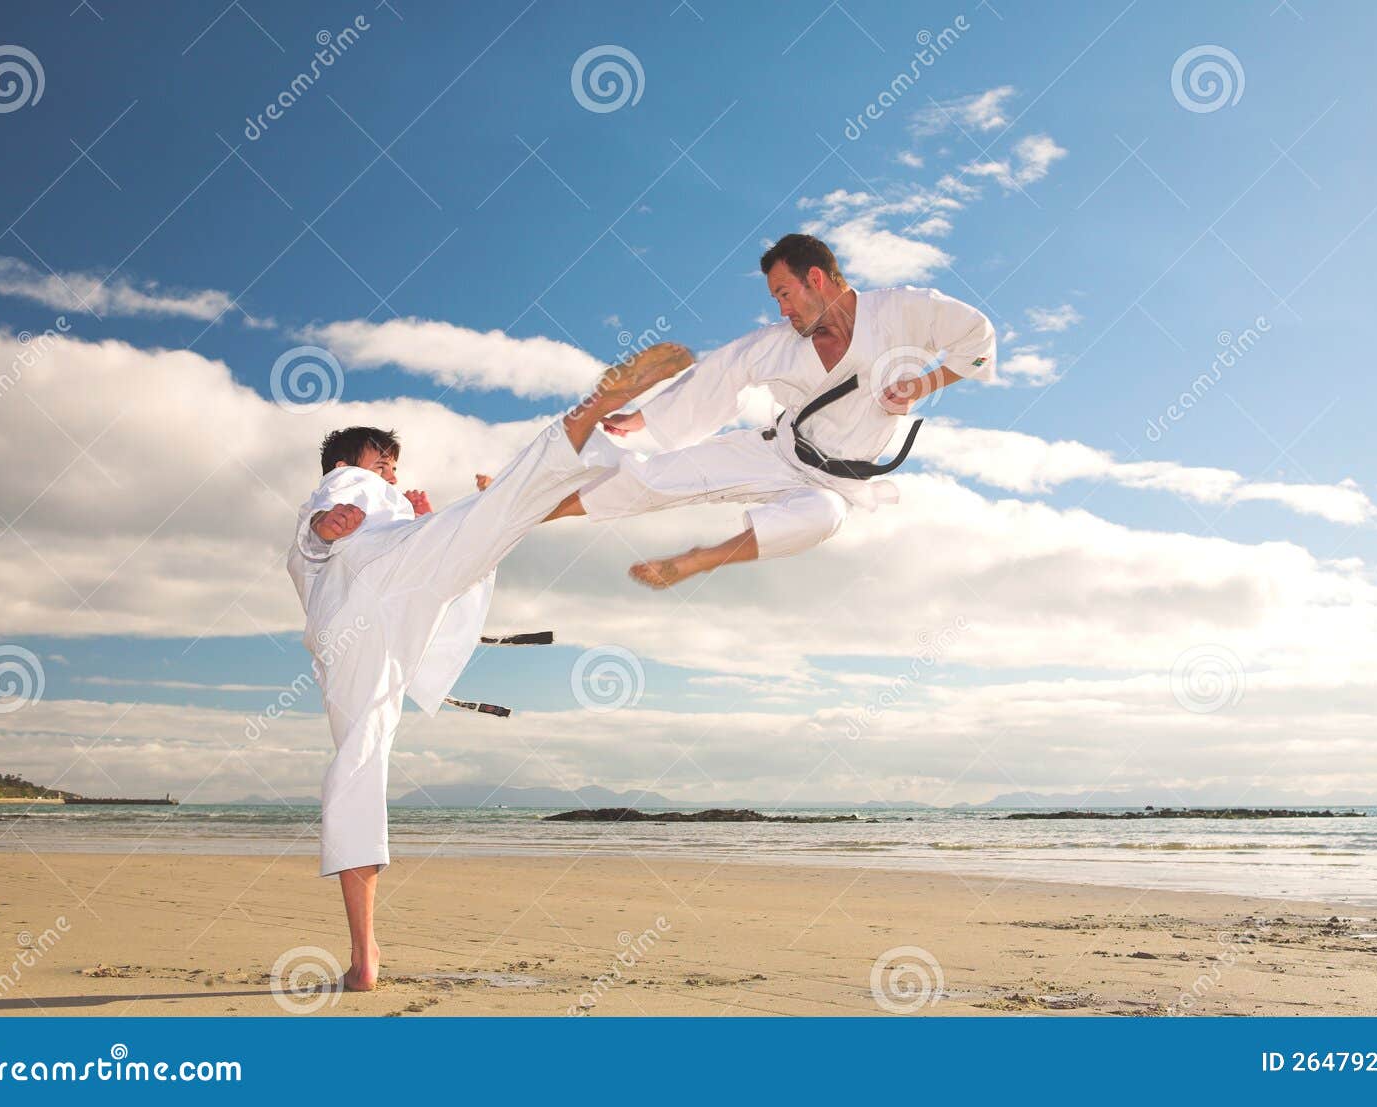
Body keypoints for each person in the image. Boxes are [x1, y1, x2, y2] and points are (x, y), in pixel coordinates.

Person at [285, 342, 692, 991]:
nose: (387, 468)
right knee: (358, 764)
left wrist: (423, 522)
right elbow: (307, 545)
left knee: (362, 765)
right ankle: (535, 474)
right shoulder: (342, 483)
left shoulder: (386, 500)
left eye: (391, 462)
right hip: (364, 600)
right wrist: (324, 527)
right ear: (344, 460)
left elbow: (407, 551)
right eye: (378, 458)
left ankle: (365, 956)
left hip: (395, 598)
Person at [543, 233, 996, 587]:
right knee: (658, 478)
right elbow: (721, 370)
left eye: (784, 294)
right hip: (778, 452)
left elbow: (978, 342)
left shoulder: (905, 311)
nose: (782, 311)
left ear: (815, 279)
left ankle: (697, 560)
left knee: (825, 517)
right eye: (775, 300)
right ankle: (535, 506)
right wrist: (645, 417)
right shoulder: (778, 345)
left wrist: (923, 383)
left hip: (839, 484)